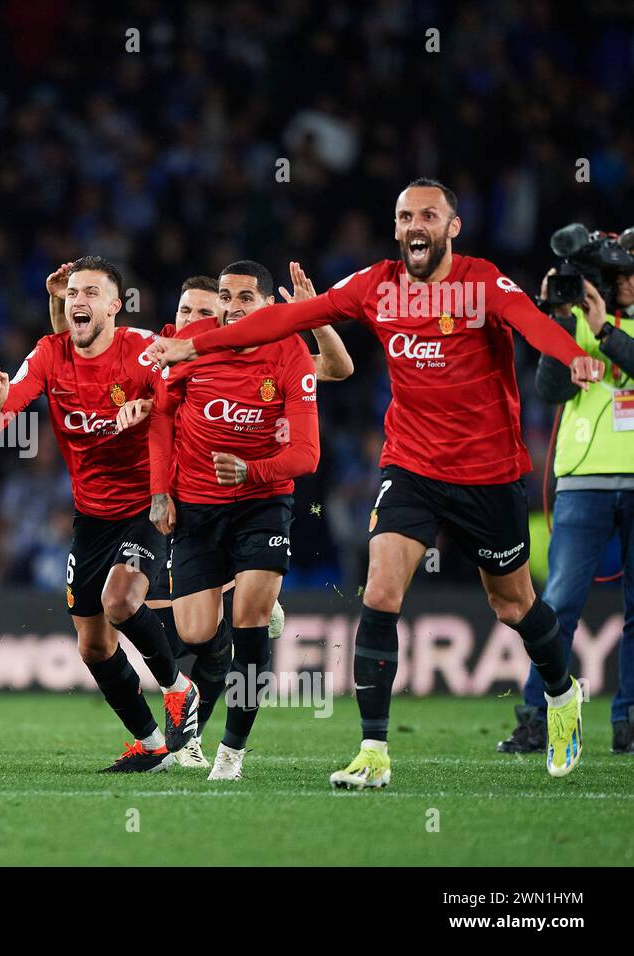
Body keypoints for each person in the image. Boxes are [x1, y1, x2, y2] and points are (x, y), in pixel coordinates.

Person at [148, 178, 606, 785]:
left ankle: (561, 691)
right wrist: (191, 347)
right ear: (396, 229)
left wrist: (572, 350)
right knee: (380, 595)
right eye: (405, 216)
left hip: (486, 471)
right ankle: (373, 752)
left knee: (512, 604)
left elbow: (528, 320)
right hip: (410, 465)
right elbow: (280, 319)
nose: (416, 225)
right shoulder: (374, 286)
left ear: (452, 227)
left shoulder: (481, 282)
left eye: (429, 215)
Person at [0, 256, 194, 772]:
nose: (79, 299)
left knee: (120, 601)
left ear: (116, 305)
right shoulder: (50, 353)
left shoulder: (144, 350)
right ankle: (149, 743)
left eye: (92, 292)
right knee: (94, 647)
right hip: (90, 516)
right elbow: (9, 409)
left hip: (147, 504)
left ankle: (178, 688)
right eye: (73, 292)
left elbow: (185, 403)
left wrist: (152, 408)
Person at [141, 261, 328, 779]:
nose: (231, 307)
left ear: (268, 305)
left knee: (247, 623)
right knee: (197, 631)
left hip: (262, 501)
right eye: (225, 296)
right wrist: (160, 491)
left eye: (245, 298)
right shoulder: (196, 341)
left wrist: (252, 470)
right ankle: (249, 604)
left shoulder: (288, 350)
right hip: (198, 508)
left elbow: (308, 456)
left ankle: (231, 753)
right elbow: (161, 417)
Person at [499, 271, 634, 754]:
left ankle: (629, 724)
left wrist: (603, 334)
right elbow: (549, 389)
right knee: (558, 605)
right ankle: (538, 716)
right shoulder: (574, 320)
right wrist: (560, 316)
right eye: (621, 272)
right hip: (583, 481)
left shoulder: (598, 326)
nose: (626, 282)